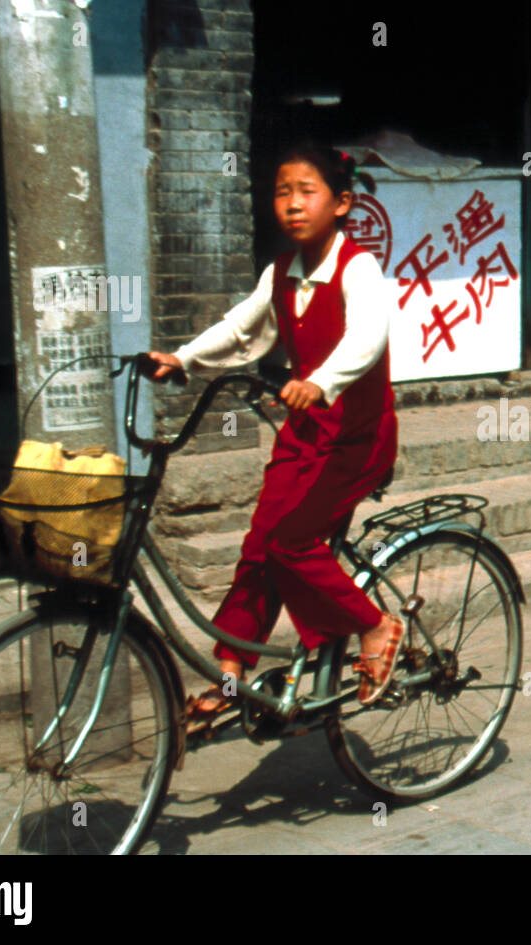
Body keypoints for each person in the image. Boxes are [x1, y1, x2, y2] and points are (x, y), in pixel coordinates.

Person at [144, 143, 403, 729]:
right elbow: (243, 329)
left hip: (356, 438)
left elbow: (368, 337)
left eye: (306, 192)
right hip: (304, 435)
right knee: (260, 546)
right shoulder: (280, 272)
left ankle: (374, 626)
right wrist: (182, 359)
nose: (291, 204)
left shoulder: (357, 267)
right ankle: (231, 674)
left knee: (292, 542)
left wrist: (321, 382)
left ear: (340, 203)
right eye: (282, 191)